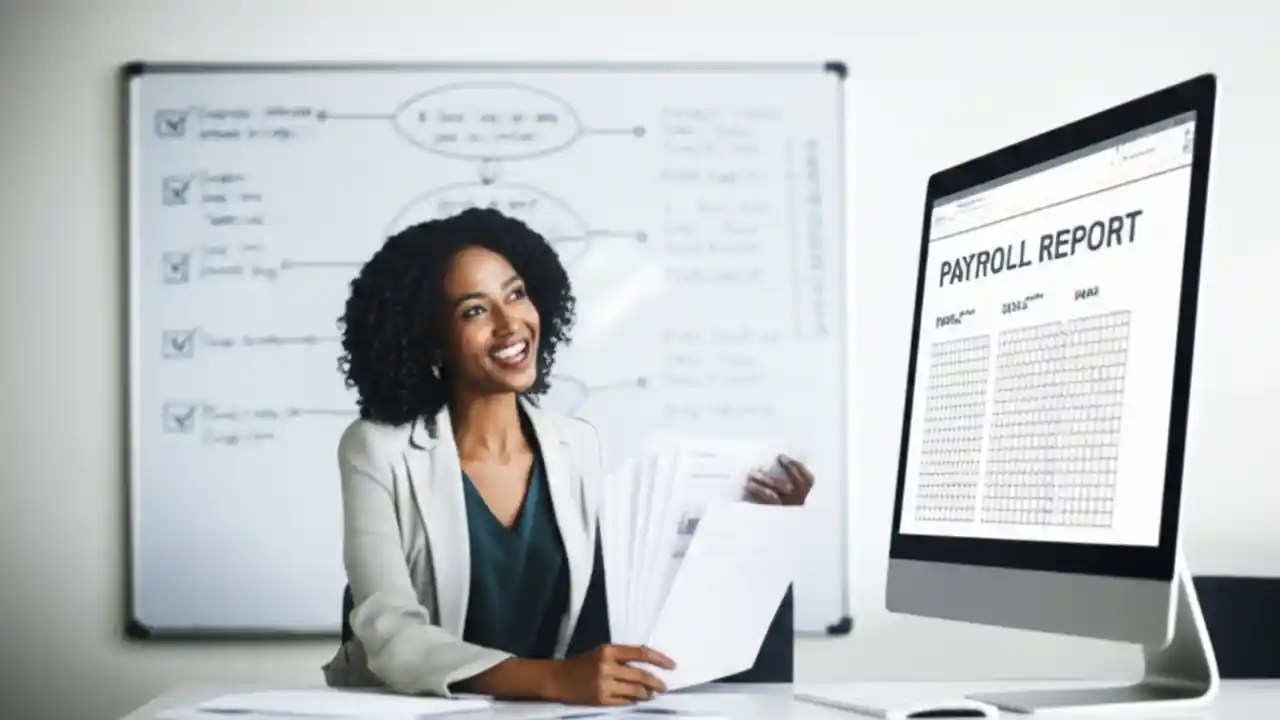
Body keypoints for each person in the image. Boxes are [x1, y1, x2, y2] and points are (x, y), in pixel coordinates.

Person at [321, 208, 815, 705]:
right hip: (421, 711)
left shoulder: (574, 445)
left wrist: (758, 528)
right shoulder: (377, 450)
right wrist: (550, 679)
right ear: (431, 343)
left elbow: (639, 589)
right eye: (475, 310)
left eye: (516, 293)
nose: (510, 322)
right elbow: (391, 635)